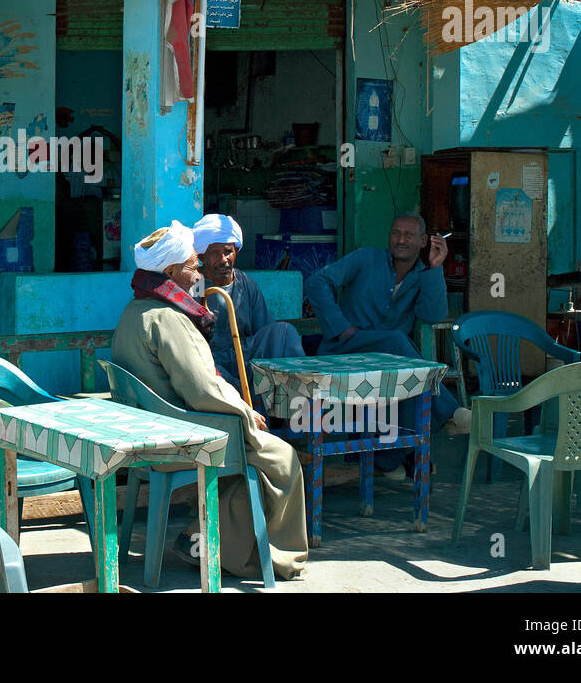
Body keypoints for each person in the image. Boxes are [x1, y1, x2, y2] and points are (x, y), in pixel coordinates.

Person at [111, 221, 309, 581]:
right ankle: (281, 559)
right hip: (179, 436)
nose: (198, 269)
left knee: (248, 468)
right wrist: (246, 413)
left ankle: (199, 542)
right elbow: (202, 390)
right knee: (282, 458)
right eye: (191, 264)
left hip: (154, 426)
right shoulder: (168, 319)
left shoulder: (134, 310)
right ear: (171, 272)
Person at [303, 212, 471, 478]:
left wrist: (436, 267)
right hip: (345, 352)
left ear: (424, 240)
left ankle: (386, 462)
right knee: (396, 340)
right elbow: (317, 282)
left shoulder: (421, 275)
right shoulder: (366, 258)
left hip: (389, 362)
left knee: (408, 381)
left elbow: (433, 315)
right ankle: (450, 413)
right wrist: (341, 327)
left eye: (409, 235)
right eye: (395, 233)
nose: (401, 240)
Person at [193, 213, 304, 398]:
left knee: (284, 332)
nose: (223, 260)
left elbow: (265, 331)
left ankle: (299, 404)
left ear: (236, 250)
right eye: (214, 253)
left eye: (228, 252)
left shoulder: (245, 283)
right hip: (212, 361)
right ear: (202, 255)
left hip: (243, 355)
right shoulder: (194, 283)